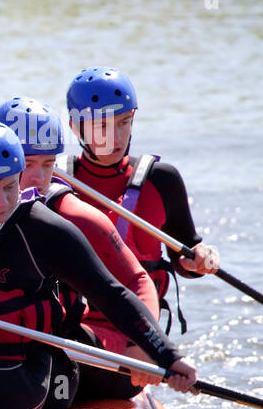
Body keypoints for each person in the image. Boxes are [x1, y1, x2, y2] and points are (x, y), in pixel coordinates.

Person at [0, 119, 197, 409]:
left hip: (21, 376)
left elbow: (112, 294)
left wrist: (168, 356)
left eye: (10, 186)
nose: (2, 201)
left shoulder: (44, 229)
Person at [0, 97, 160, 403]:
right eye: (27, 163)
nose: (38, 178)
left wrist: (147, 345)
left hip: (75, 345)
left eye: (48, 164)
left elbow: (137, 280)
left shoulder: (77, 216)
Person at [61, 67, 219, 333]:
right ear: (76, 128)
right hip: (75, 331)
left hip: (140, 331)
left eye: (124, 122)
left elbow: (185, 258)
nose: (117, 137)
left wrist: (201, 259)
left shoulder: (162, 180)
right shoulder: (56, 183)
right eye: (102, 126)